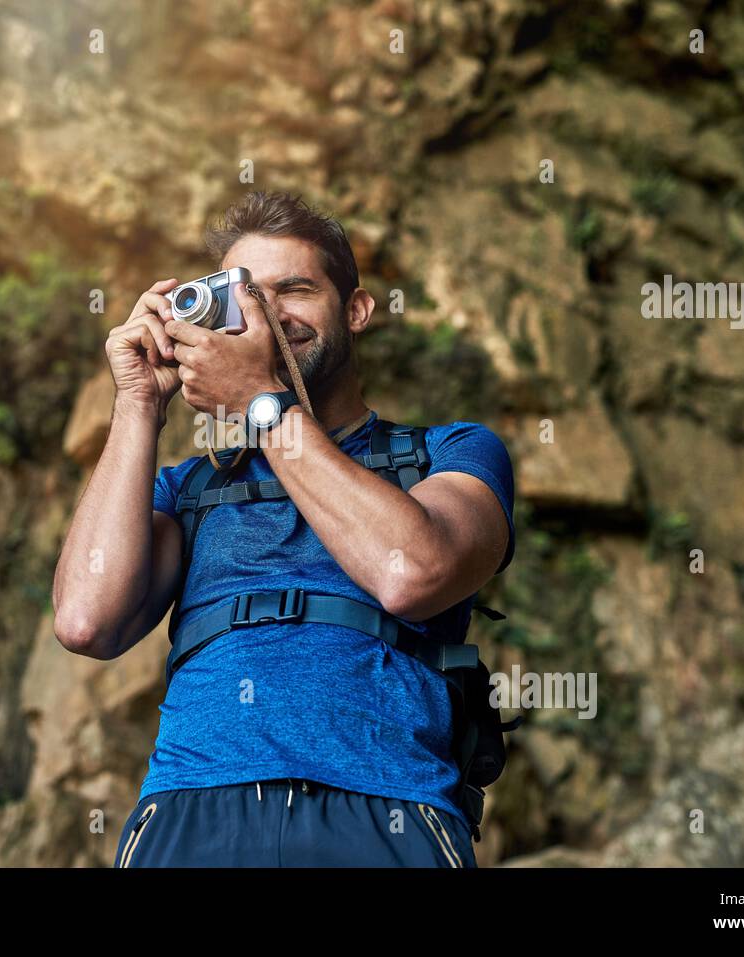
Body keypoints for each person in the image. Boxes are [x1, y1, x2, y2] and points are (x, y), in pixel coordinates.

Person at [52, 191, 515, 867]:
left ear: (356, 311)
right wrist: (137, 403)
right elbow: (86, 620)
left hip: (388, 807)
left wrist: (261, 403)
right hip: (192, 809)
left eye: (294, 289)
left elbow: (412, 571)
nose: (268, 313)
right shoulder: (190, 486)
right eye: (248, 295)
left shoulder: (449, 453)